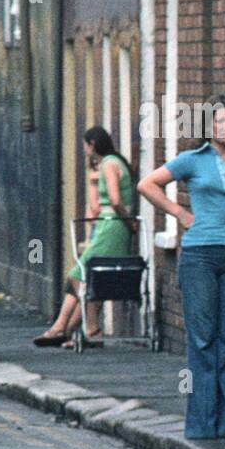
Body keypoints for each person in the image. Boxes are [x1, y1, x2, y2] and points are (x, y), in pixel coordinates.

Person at [138, 95, 225, 440]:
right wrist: (179, 214)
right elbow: (147, 184)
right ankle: (200, 425)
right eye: (220, 122)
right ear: (209, 127)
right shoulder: (191, 160)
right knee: (203, 339)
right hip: (199, 256)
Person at [34, 126, 135, 348]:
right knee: (94, 276)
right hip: (112, 226)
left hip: (112, 227)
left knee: (78, 273)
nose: (84, 150)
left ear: (92, 144)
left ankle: (62, 328)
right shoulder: (116, 162)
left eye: (85, 145)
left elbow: (115, 201)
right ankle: (87, 330)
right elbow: (97, 206)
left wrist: (129, 223)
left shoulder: (109, 164)